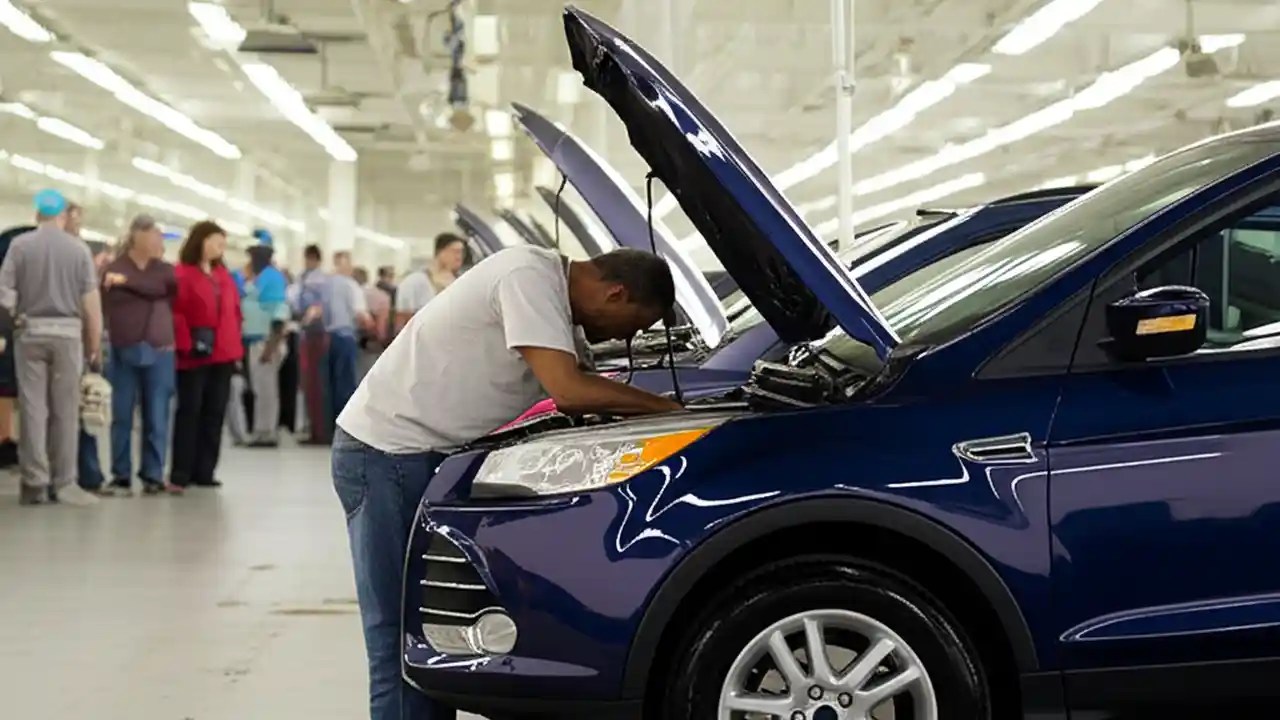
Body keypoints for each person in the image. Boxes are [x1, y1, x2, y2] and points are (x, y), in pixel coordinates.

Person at [333, 246, 681, 720]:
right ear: (615, 293)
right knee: (401, 638)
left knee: (436, 638)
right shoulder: (528, 277)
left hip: (423, 457)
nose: (628, 338)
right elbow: (571, 390)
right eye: (635, 326)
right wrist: (669, 412)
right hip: (388, 455)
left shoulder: (552, 298)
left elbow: (583, 389)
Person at [0, 190, 103, 506]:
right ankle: (65, 482)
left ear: (37, 214)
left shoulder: (19, 246)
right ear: (63, 215)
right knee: (65, 409)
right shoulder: (78, 249)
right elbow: (91, 304)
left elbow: (4, 295)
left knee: (32, 408)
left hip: (29, 333)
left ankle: (34, 482)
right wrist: (94, 346)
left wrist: (7, 329)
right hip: (68, 336)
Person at [99, 215, 177, 495]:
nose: (159, 240)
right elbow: (103, 299)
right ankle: (120, 473)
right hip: (123, 349)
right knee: (121, 415)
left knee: (157, 416)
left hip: (160, 350)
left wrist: (125, 283)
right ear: (137, 236)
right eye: (155, 234)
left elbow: (159, 290)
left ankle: (153, 473)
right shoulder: (112, 268)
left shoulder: (164, 270)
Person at [170, 221, 242, 490]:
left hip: (223, 353)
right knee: (190, 411)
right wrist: (186, 342)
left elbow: (234, 312)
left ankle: (205, 470)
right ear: (201, 241)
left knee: (215, 412)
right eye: (216, 241)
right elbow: (177, 311)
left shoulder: (224, 276)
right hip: (194, 353)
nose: (220, 248)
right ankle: (181, 471)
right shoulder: (183, 274)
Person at [240, 244, 289, 447]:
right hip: (258, 341)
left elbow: (279, 313)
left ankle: (266, 432)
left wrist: (271, 346)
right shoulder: (262, 277)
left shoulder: (271, 278)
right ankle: (262, 430)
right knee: (262, 389)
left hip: (266, 342)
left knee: (266, 390)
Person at [323, 251, 371, 431]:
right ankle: (345, 428)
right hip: (346, 337)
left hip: (328, 339)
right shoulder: (351, 286)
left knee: (331, 384)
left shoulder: (326, 285)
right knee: (347, 383)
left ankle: (329, 427)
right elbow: (361, 315)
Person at [294, 244, 330, 445]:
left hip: (314, 334)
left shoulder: (314, 279)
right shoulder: (310, 277)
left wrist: (304, 322)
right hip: (313, 334)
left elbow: (315, 308)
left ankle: (318, 431)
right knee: (312, 384)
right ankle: (316, 429)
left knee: (314, 384)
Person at [393, 233, 464, 332]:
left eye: (461, 252)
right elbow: (402, 319)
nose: (459, 257)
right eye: (455, 252)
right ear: (440, 252)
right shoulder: (415, 281)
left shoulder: (461, 282)